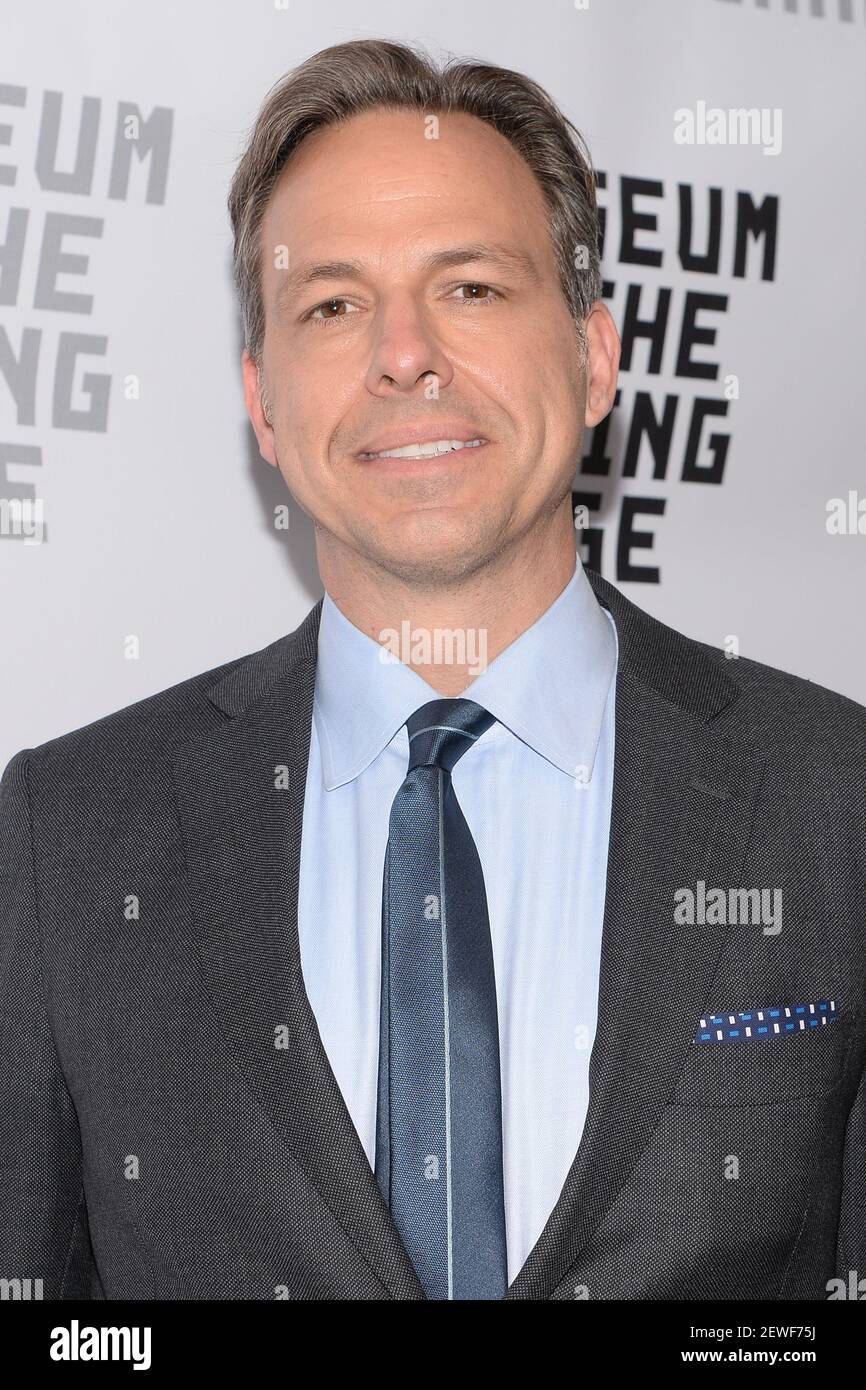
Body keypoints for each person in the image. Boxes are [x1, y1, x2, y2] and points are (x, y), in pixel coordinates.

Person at [1, 38, 863, 1302]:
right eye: (332, 305)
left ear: (594, 358)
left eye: (468, 288)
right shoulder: (66, 835)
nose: (403, 356)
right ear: (263, 402)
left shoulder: (831, 797)